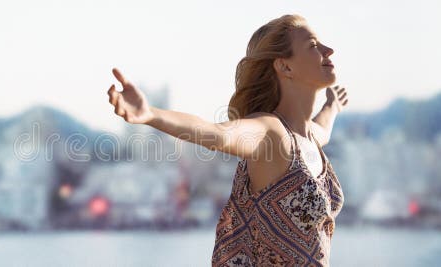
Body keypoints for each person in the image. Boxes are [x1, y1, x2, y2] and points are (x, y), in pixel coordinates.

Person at [106, 14, 349, 266]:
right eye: (313, 46)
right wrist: (151, 114)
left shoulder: (309, 137)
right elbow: (216, 133)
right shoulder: (271, 133)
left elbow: (323, 128)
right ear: (285, 66)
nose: (329, 50)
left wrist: (333, 106)